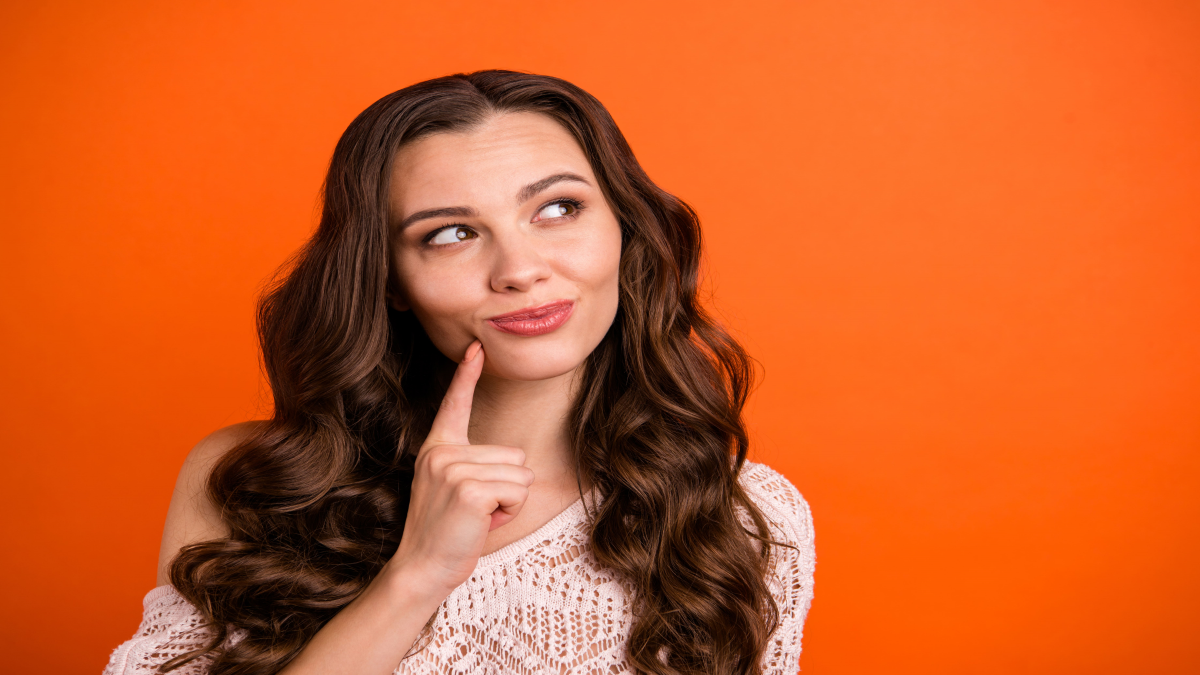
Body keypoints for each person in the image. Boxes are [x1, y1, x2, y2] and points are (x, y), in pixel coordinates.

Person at [103, 70, 815, 675]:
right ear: (387, 278)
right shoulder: (248, 481)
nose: (520, 270)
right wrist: (415, 577)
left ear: (626, 229)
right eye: (451, 233)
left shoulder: (744, 518)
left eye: (558, 208)